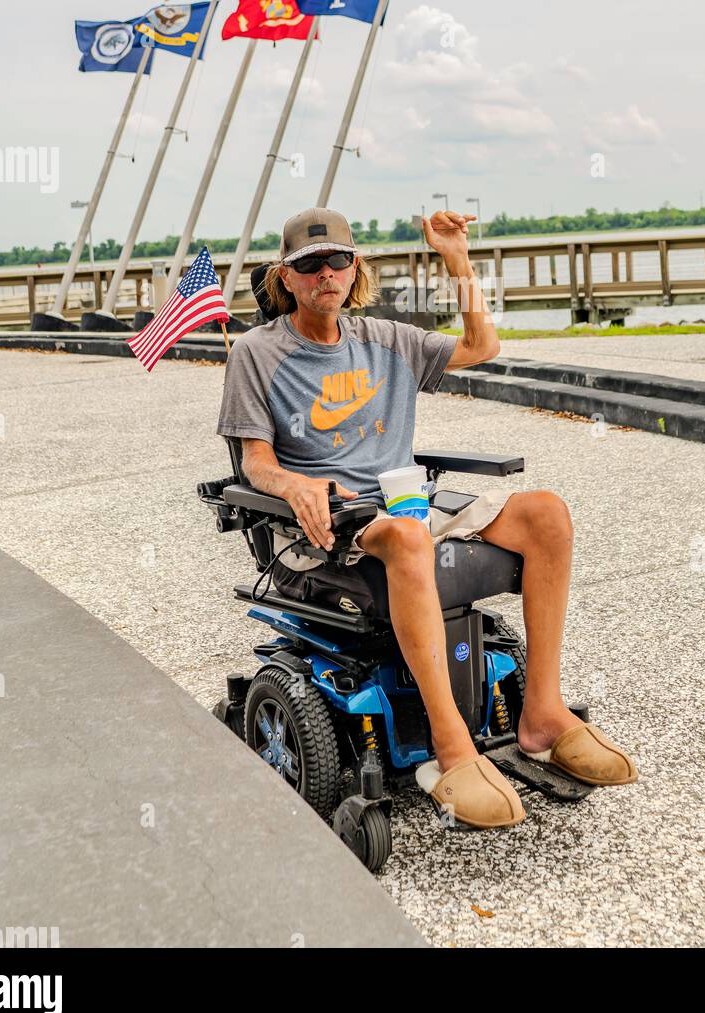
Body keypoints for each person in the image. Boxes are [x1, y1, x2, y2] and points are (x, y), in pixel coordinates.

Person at [217, 206, 636, 829]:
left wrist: (457, 259)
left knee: (546, 514)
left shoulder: (386, 339)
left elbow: (481, 345)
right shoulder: (256, 352)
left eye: (336, 260)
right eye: (308, 265)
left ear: (354, 268)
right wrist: (294, 483)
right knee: (410, 536)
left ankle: (542, 714)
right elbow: (255, 461)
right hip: (324, 527)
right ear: (286, 278)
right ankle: (450, 748)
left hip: (403, 505)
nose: (324, 274)